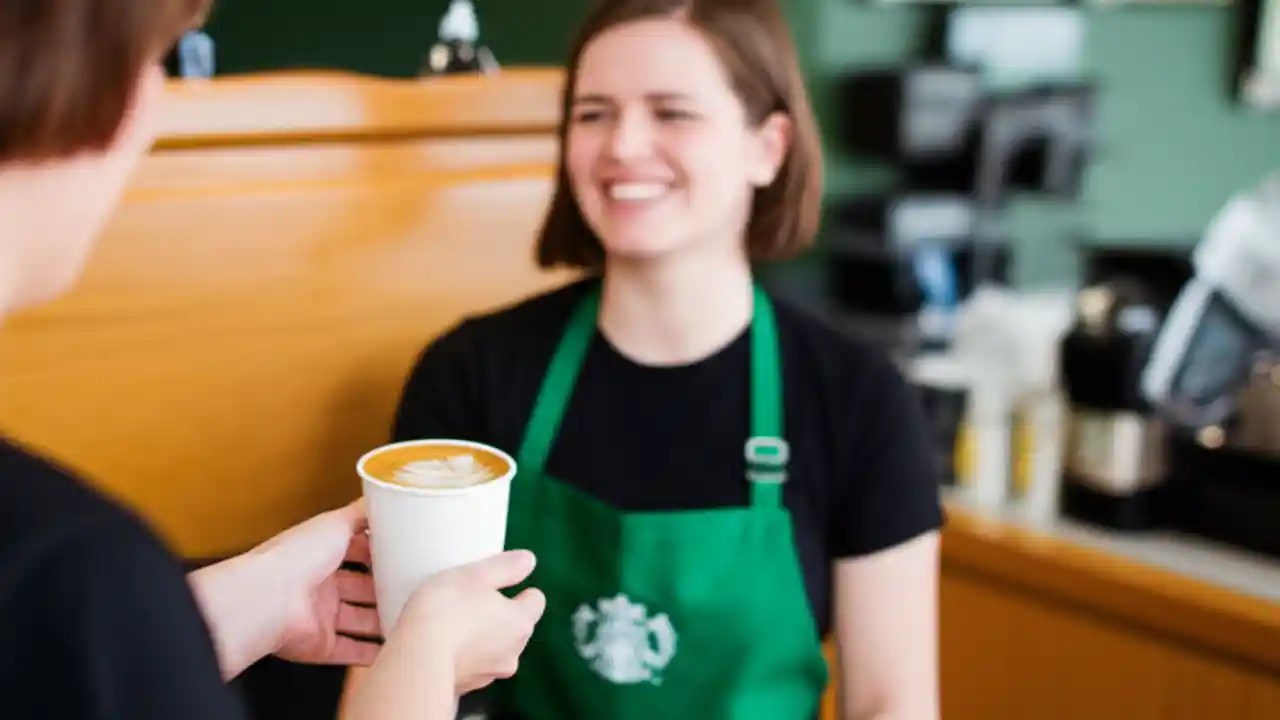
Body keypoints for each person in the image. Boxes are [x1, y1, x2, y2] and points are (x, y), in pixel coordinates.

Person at [392, 1, 945, 718]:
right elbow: (400, 678)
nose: (622, 145)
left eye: (671, 112)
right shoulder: (470, 374)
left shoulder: (859, 401)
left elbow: (888, 705)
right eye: (593, 114)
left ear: (767, 148)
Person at [0, 2, 544, 718]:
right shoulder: (77, 570)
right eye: (156, 60)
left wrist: (244, 600)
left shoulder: (75, 586)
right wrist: (425, 661)